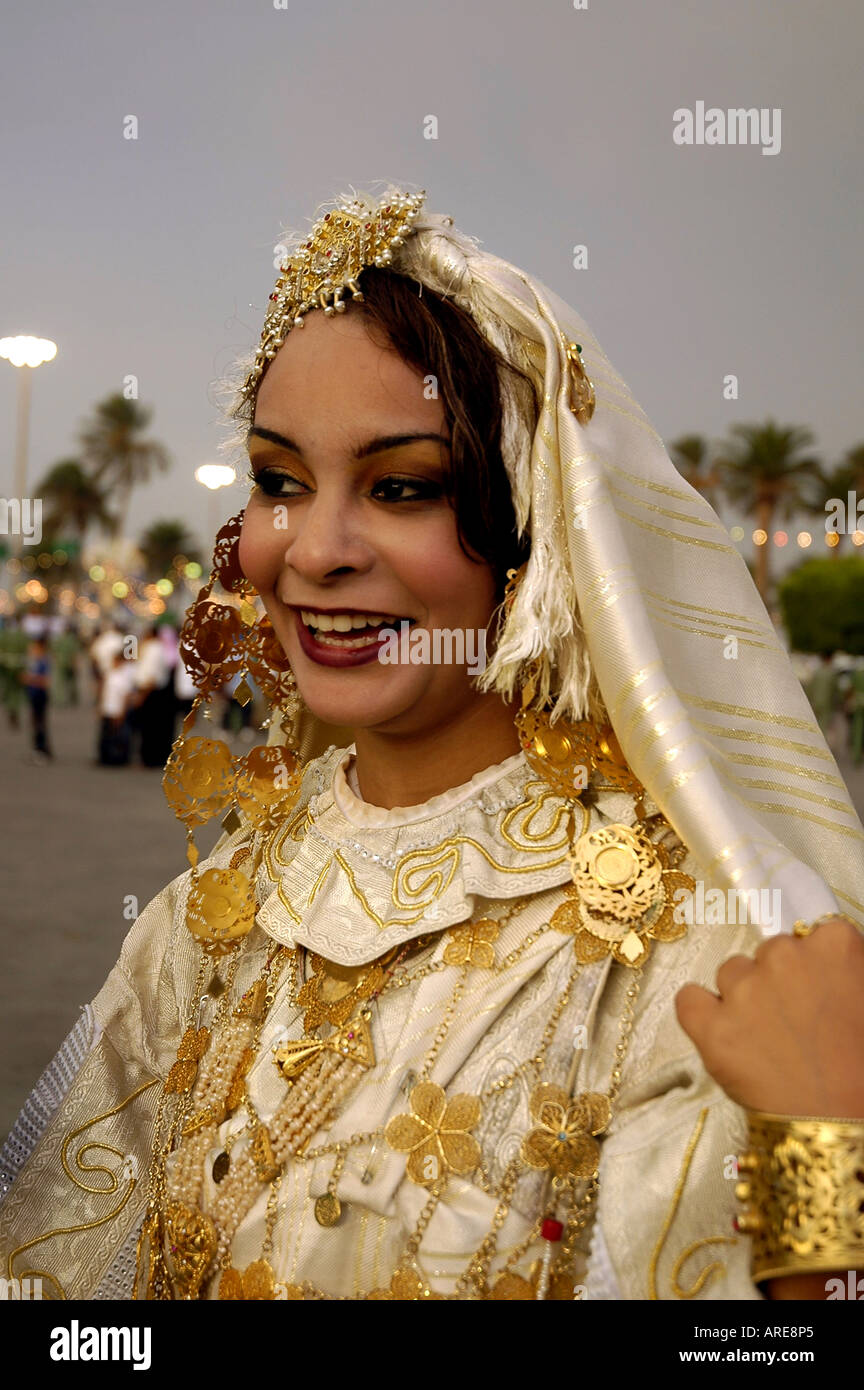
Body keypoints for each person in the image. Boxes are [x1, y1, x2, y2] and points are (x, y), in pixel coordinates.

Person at [1, 185, 863, 1303]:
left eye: (401, 487)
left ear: (538, 530)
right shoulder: (205, 921)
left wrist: (825, 1162)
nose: (314, 550)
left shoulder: (703, 943)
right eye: (278, 481)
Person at [133, 625, 176, 768]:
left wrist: (141, 695)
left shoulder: (153, 649)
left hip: (151, 693)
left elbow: (150, 677)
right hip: (155, 693)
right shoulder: (158, 648)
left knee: (150, 729)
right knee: (156, 728)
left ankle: (150, 759)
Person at [97, 649, 135, 766]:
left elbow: (126, 695)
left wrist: (123, 711)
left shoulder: (124, 676)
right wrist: (100, 706)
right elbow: (104, 691)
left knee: (120, 735)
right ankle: (105, 757)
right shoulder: (110, 673)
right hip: (108, 708)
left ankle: (120, 758)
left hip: (118, 709)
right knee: (106, 734)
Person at [21, 632, 53, 762]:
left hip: (40, 695)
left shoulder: (43, 661)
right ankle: (40, 749)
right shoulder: (34, 661)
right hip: (34, 695)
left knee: (39, 724)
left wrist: (30, 679)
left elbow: (46, 681)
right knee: (36, 723)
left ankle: (41, 750)